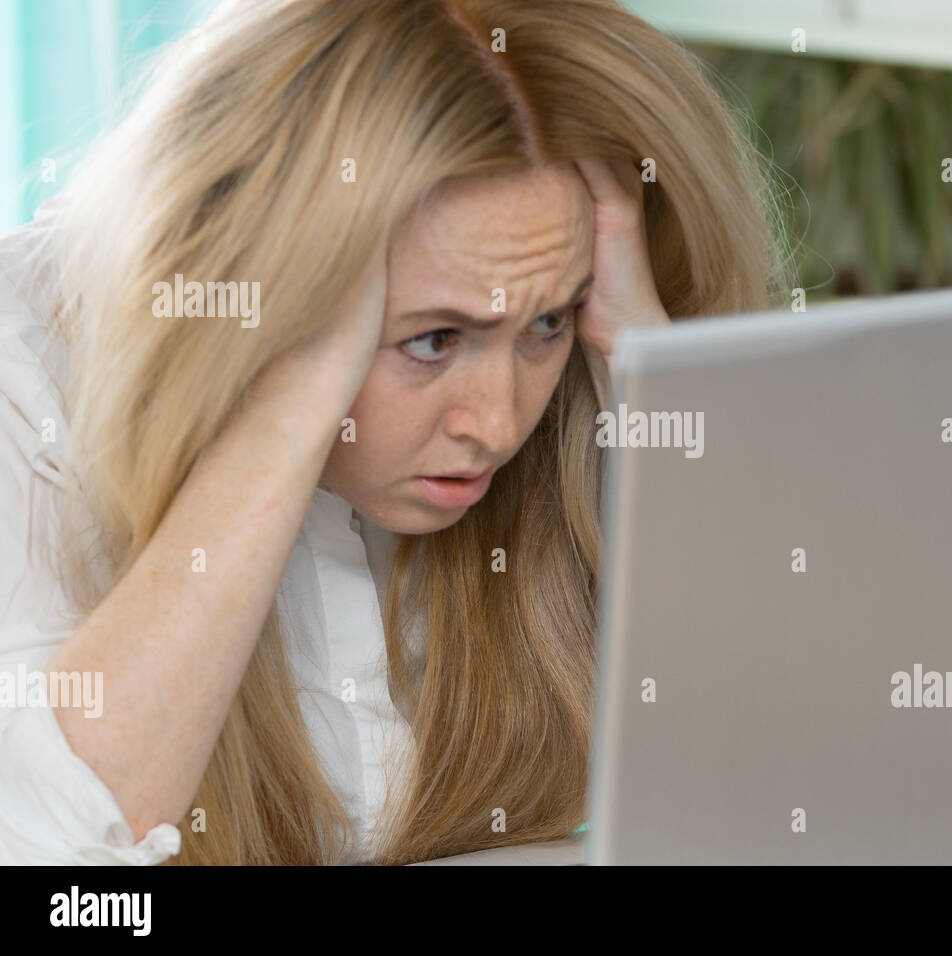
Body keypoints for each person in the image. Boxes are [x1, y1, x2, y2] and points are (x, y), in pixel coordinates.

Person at [0, 0, 792, 864]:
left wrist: (636, 351)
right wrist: (289, 389)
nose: (495, 424)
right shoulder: (26, 381)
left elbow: (797, 761)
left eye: (547, 324)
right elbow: (55, 859)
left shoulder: (580, 396)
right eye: (433, 340)